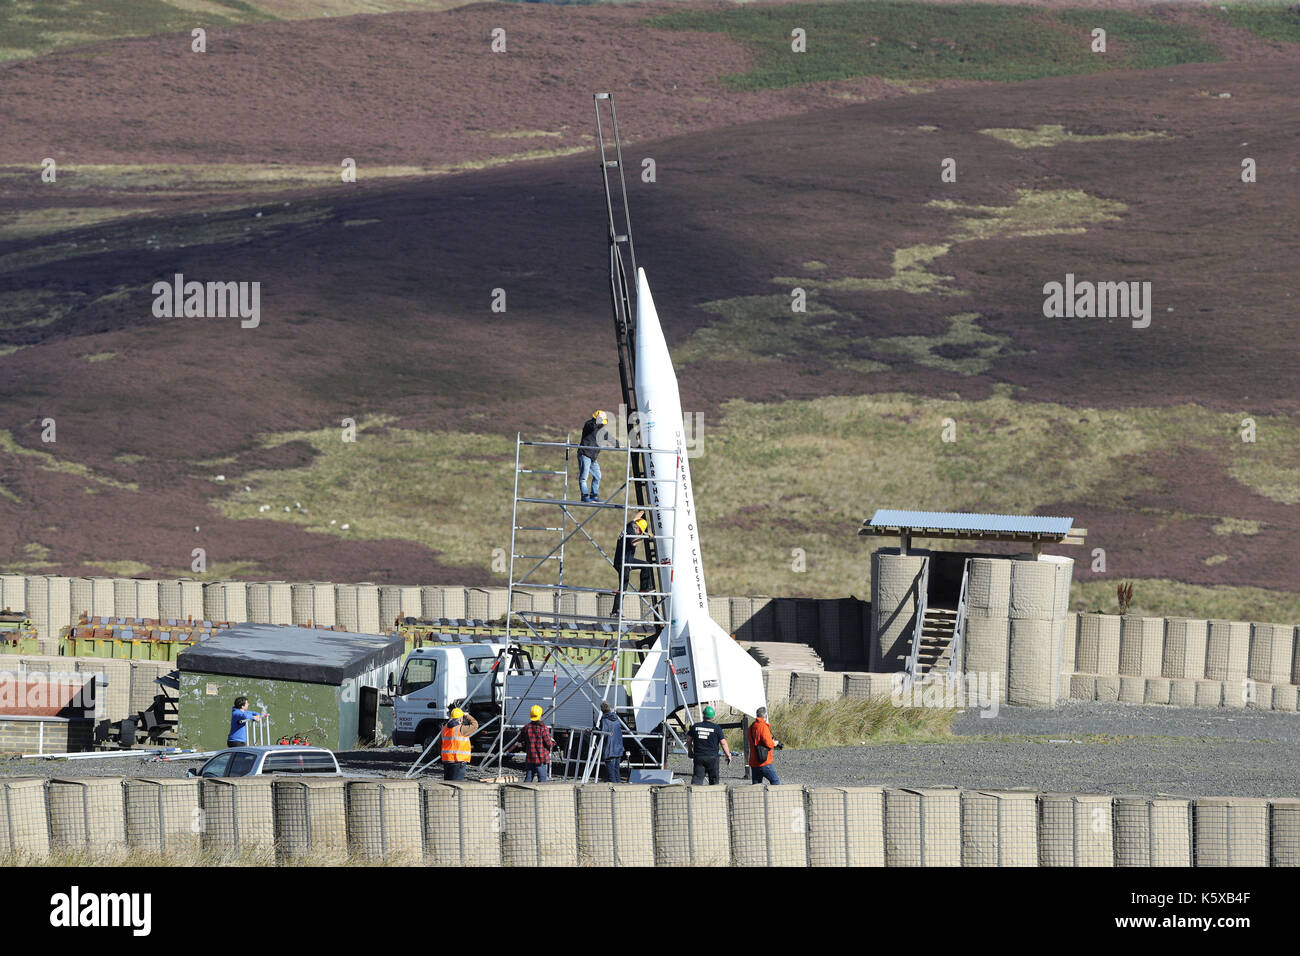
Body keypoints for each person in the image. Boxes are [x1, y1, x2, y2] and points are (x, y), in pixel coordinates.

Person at [611, 511, 649, 617]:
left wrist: (645, 509)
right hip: (622, 562)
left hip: (628, 561)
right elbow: (633, 542)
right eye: (640, 532)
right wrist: (644, 537)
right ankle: (615, 611)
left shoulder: (630, 525)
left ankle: (644, 588)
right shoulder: (631, 532)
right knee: (623, 588)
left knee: (646, 565)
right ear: (637, 529)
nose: (640, 533)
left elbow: (636, 517)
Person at [578, 410, 617, 502]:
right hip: (585, 454)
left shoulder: (601, 430)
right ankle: (584, 496)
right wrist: (598, 420)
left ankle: (594, 495)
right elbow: (592, 426)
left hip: (592, 457)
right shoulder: (589, 425)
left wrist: (618, 444)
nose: (603, 424)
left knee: (598, 476)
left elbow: (609, 437)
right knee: (584, 477)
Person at [687, 705, 732, 785]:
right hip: (713, 758)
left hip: (699, 757)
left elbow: (689, 740)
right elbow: (723, 743)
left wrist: (690, 751)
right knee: (714, 780)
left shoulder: (695, 726)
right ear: (713, 716)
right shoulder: (717, 728)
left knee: (697, 780)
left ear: (703, 714)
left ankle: (694, 795)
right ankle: (714, 796)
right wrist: (728, 755)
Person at [518, 705, 555, 782]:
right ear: (540, 716)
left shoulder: (526, 727)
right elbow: (549, 744)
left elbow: (519, 739)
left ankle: (526, 793)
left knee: (528, 779)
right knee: (542, 781)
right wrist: (553, 742)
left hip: (530, 758)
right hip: (541, 759)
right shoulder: (543, 728)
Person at [440, 707, 478, 781]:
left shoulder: (444, 729)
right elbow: (475, 725)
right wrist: (467, 715)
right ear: (461, 719)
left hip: (447, 761)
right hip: (458, 761)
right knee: (456, 786)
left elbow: (440, 744)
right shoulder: (461, 729)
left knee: (447, 785)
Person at [747, 706, 782, 785]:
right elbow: (769, 744)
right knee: (775, 782)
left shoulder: (751, 727)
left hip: (754, 762)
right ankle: (774, 797)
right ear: (765, 716)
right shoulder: (763, 727)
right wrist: (775, 743)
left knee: (756, 787)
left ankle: (757, 797)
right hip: (764, 762)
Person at [597, 700, 625, 783]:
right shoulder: (616, 719)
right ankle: (619, 791)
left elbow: (604, 733)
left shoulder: (604, 719)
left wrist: (594, 730)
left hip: (609, 750)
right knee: (617, 773)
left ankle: (614, 794)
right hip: (618, 748)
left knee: (611, 775)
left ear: (602, 710)